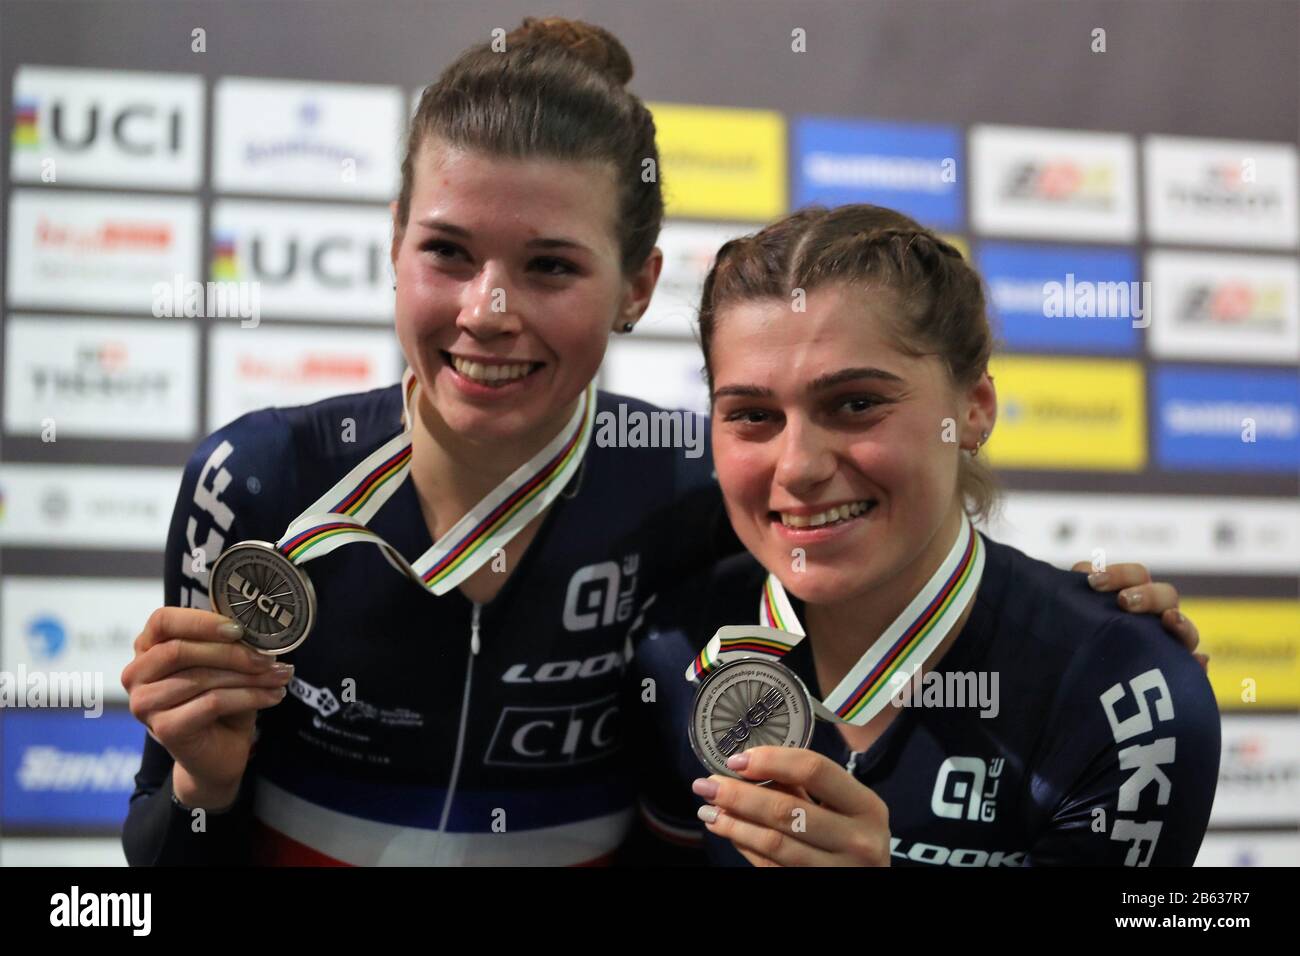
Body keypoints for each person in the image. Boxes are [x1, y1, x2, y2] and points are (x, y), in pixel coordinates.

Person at [121, 17, 1203, 867]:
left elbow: (931, 599)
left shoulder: (701, 495)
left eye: (550, 266)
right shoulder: (258, 480)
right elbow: (150, 867)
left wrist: (1104, 628)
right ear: (392, 249)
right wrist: (197, 794)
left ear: (637, 285)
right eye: (447, 250)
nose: (489, 310)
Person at [628, 204, 1221, 867]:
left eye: (855, 404)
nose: (797, 467)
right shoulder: (676, 648)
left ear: (974, 409)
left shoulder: (1124, 695)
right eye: (753, 414)